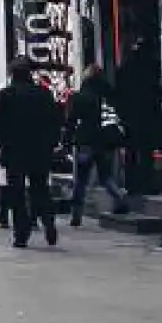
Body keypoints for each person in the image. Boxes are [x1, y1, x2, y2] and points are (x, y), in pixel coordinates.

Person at [0, 56, 64, 248]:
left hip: (14, 151)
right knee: (41, 189)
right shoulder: (43, 94)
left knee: (17, 193)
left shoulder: (6, 95)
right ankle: (48, 222)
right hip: (39, 150)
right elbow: (54, 121)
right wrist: (52, 143)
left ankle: (21, 233)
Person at [67, 63, 129, 227]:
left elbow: (71, 120)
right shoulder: (108, 94)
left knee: (81, 179)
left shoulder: (81, 96)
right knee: (105, 175)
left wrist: (66, 140)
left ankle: (76, 214)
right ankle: (120, 199)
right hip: (105, 142)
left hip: (86, 142)